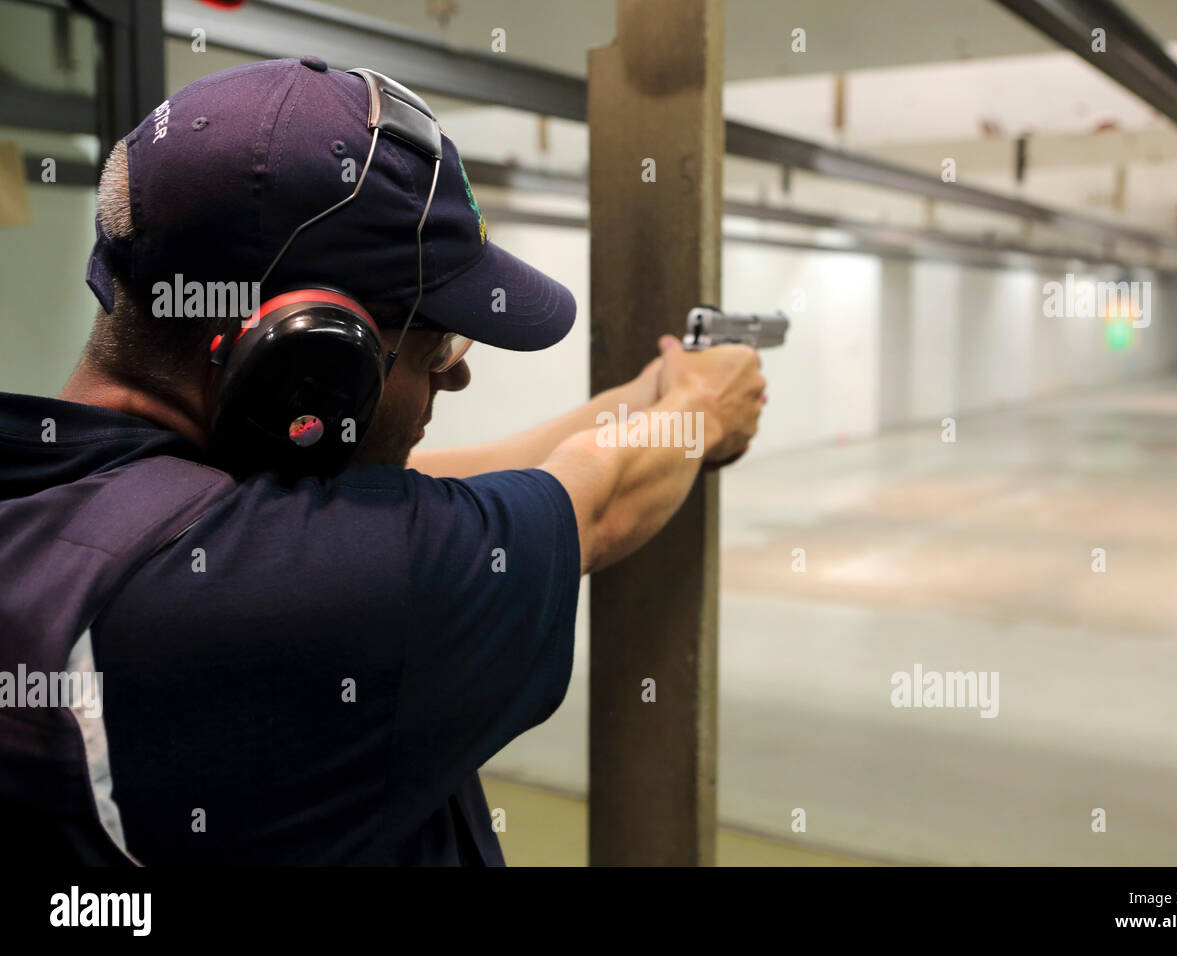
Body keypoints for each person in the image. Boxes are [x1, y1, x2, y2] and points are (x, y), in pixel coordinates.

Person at [0, 57, 764, 865]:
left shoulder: (66, 498)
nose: (458, 373)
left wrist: (647, 394)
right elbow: (596, 503)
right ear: (310, 357)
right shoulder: (285, 593)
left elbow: (435, 487)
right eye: (435, 343)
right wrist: (700, 414)